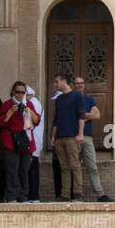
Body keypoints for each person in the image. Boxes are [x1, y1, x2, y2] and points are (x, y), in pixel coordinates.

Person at [0, 81, 41, 204]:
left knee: (24, 169)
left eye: (23, 92)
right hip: (10, 140)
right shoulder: (7, 104)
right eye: (17, 92)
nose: (20, 95)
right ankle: (11, 196)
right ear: (13, 92)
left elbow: (37, 120)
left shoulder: (29, 105)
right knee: (12, 169)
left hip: (26, 139)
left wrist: (29, 111)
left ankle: (23, 196)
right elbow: (2, 122)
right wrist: (11, 111)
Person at [72, 76, 113, 202]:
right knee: (73, 167)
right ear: (73, 85)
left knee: (92, 167)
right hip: (73, 137)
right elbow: (71, 116)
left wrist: (82, 115)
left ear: (84, 85)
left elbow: (97, 115)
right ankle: (75, 195)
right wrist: (86, 115)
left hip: (87, 137)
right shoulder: (70, 100)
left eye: (81, 83)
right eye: (77, 83)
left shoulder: (89, 100)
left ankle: (100, 195)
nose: (79, 85)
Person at [49, 73, 86, 202]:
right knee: (64, 167)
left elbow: (82, 116)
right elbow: (56, 120)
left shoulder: (76, 95)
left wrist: (80, 134)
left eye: (56, 81)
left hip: (72, 136)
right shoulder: (59, 99)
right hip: (60, 137)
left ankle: (78, 193)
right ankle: (65, 194)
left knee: (75, 165)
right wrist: (53, 137)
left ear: (64, 81)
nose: (55, 84)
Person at [25, 85, 44, 203]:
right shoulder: (36, 103)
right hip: (35, 142)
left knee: (32, 170)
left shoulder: (32, 103)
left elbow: (32, 121)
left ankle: (33, 195)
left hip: (32, 141)